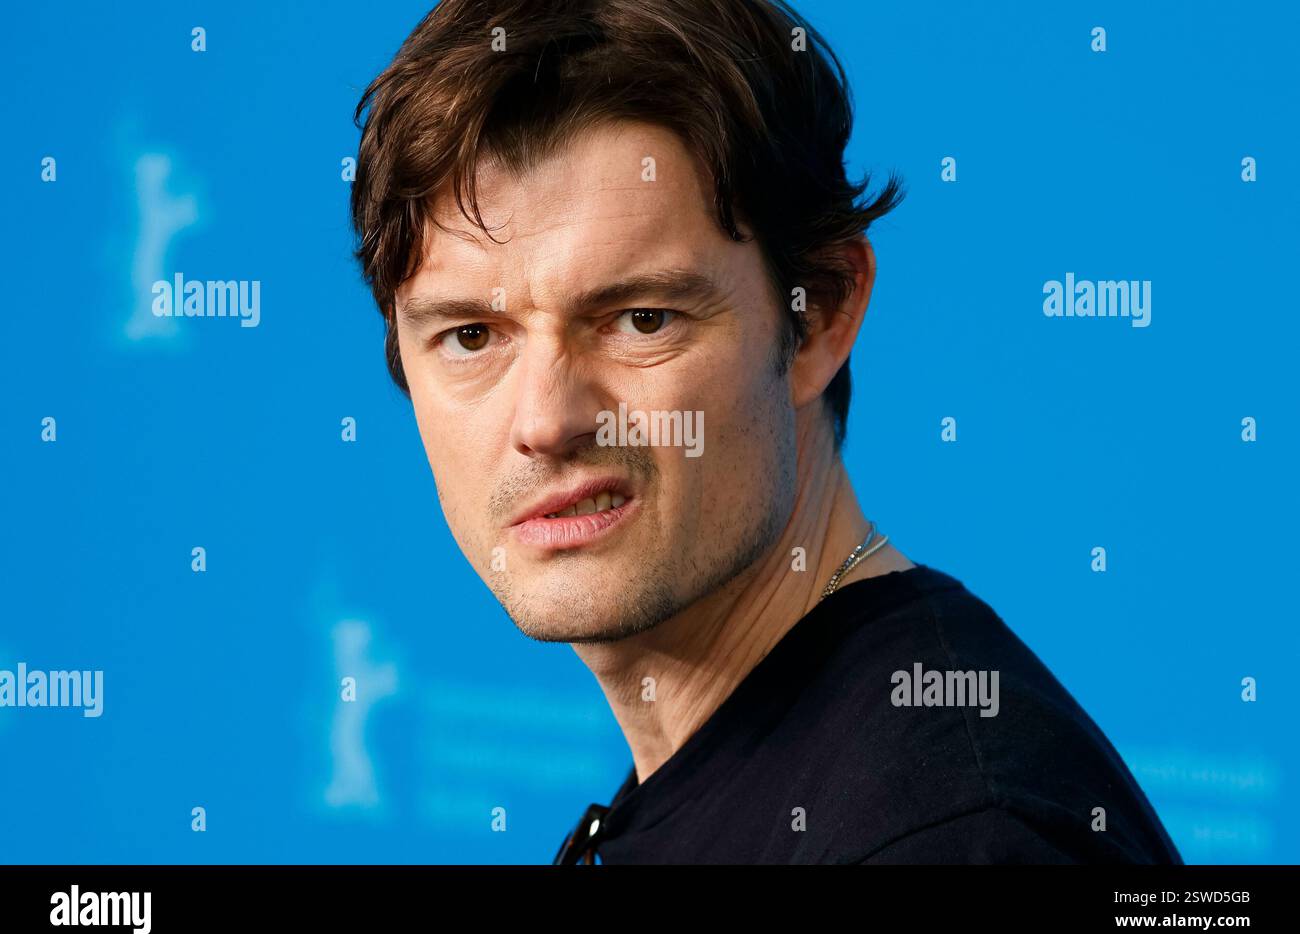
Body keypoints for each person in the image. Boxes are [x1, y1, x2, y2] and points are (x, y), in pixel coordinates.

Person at [349, 0, 1183, 864]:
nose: (545, 421)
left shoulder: (956, 835)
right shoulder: (735, 769)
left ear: (818, 313)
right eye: (472, 336)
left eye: (641, 319)